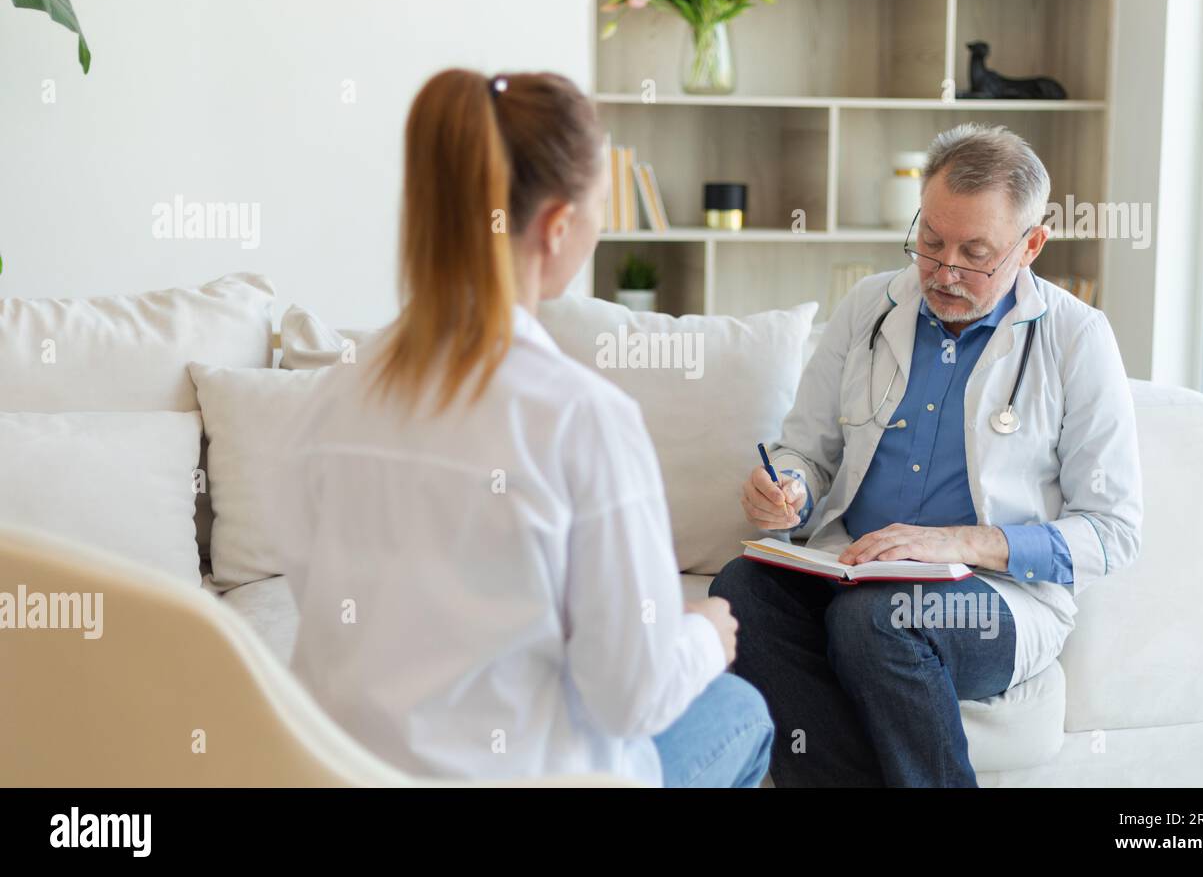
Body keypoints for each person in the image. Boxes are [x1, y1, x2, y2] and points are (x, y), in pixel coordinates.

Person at [280, 68, 772, 787]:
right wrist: (704, 635)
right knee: (741, 710)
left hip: (348, 772)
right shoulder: (583, 420)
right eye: (600, 207)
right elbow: (630, 698)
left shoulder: (332, 397)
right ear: (559, 227)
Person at [712, 123, 1142, 787]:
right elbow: (807, 449)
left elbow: (1113, 534)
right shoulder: (870, 308)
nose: (944, 272)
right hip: (850, 567)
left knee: (883, 618)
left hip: (996, 599)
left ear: (1031, 245)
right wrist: (788, 487)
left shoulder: (1077, 339)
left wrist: (960, 545)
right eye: (931, 242)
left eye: (975, 253)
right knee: (742, 591)